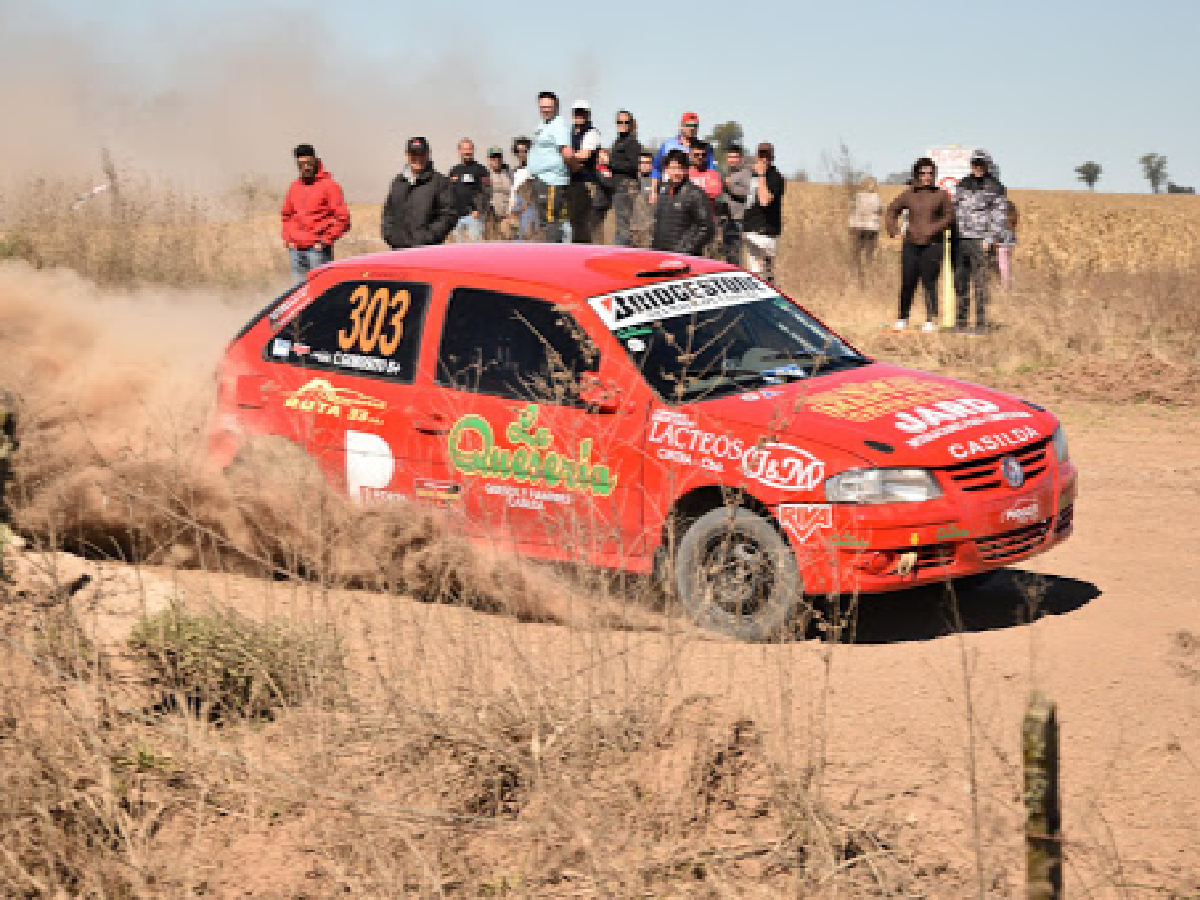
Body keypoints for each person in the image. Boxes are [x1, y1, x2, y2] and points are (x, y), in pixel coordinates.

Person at [883, 157, 955, 332]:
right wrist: (894, 231)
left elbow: (949, 217)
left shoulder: (941, 195)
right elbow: (892, 210)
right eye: (923, 173)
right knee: (907, 281)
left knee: (929, 282)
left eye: (930, 173)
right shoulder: (909, 194)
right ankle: (902, 318)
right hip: (911, 244)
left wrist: (934, 229)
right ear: (917, 174)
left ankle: (930, 320)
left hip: (933, 245)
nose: (926, 176)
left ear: (934, 175)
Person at [953, 149, 1007, 332]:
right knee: (960, 282)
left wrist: (990, 238)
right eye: (974, 163)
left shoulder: (996, 186)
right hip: (961, 239)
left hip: (981, 241)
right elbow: (955, 207)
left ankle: (981, 323)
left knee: (980, 283)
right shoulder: (963, 183)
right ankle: (960, 322)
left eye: (981, 163)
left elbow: (999, 216)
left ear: (987, 165)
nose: (977, 167)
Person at [280, 143, 350, 281]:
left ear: (315, 160)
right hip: (295, 251)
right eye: (300, 164)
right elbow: (286, 215)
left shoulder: (330, 186)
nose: (305, 167)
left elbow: (344, 220)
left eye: (308, 163)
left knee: (321, 294)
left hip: (317, 251)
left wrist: (324, 242)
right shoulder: (294, 187)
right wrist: (288, 239)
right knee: (298, 295)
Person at [381, 136, 457, 250]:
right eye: (414, 154)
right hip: (397, 250)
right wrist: (390, 235)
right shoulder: (398, 182)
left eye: (421, 154)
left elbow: (449, 215)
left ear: (428, 154)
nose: (418, 158)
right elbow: (388, 212)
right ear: (407, 155)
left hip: (426, 251)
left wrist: (427, 237)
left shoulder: (440, 182)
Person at [527, 91, 576, 242]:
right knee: (545, 221)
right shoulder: (543, 124)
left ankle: (554, 258)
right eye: (542, 107)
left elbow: (567, 153)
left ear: (556, 107)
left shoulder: (558, 125)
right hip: (542, 179)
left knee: (551, 221)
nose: (545, 110)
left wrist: (574, 167)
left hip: (552, 181)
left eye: (549, 107)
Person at [651, 149, 715, 256]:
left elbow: (707, 228)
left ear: (687, 170)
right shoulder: (663, 191)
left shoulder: (695, 194)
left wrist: (685, 250)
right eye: (673, 168)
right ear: (666, 169)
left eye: (680, 168)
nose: (676, 173)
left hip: (684, 259)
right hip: (660, 254)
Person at [742, 142, 786, 283]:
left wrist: (761, 176)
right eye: (761, 155)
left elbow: (764, 201)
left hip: (766, 234)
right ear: (756, 156)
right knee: (754, 276)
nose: (764, 159)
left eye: (767, 155)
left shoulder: (775, 177)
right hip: (750, 232)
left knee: (766, 276)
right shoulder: (750, 174)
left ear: (772, 157)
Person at [650, 112, 714, 204]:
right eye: (688, 125)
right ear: (681, 126)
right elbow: (657, 169)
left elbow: (711, 172)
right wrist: (653, 192)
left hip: (695, 194)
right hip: (670, 192)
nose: (692, 128)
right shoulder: (668, 145)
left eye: (695, 125)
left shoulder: (705, 148)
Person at [568, 100, 602, 243]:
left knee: (584, 222)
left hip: (587, 183)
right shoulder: (568, 132)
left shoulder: (592, 132)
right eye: (577, 112)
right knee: (573, 222)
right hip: (572, 182)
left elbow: (585, 155)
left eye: (582, 112)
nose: (579, 115)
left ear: (588, 114)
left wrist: (565, 157)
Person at [608, 110, 643, 246]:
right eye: (619, 122)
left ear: (631, 124)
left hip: (626, 188)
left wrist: (610, 163)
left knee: (624, 229)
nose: (622, 125)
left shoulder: (632, 143)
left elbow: (634, 166)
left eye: (626, 122)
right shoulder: (619, 141)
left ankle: (624, 258)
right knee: (620, 226)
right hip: (618, 188)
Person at [447, 139, 491, 243]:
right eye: (464, 149)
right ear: (459, 151)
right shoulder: (454, 170)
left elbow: (487, 192)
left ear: (473, 150)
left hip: (474, 217)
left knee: (475, 248)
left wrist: (479, 209)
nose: (467, 152)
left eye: (470, 149)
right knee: (458, 249)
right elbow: (449, 191)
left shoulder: (481, 170)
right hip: (457, 217)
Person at [719, 144, 752, 265]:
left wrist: (729, 186)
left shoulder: (746, 173)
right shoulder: (727, 172)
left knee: (734, 257)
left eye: (735, 157)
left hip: (738, 221)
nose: (732, 160)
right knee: (727, 256)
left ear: (741, 158)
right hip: (726, 220)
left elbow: (747, 193)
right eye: (730, 157)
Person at [849, 176, 883, 278]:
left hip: (857, 227)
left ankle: (856, 272)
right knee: (869, 252)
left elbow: (851, 208)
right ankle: (868, 272)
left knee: (856, 252)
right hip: (871, 227)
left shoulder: (856, 196)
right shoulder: (876, 197)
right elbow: (880, 210)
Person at [485, 147, 512, 238]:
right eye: (493, 158)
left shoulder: (510, 175)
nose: (496, 160)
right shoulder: (485, 176)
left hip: (508, 217)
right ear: (488, 160)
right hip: (490, 218)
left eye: (498, 157)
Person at [593, 148, 615, 241]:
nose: (601, 158)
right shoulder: (595, 169)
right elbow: (607, 182)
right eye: (599, 156)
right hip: (597, 203)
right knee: (596, 229)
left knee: (608, 230)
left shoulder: (612, 170)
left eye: (604, 156)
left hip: (610, 204)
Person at [997, 198, 1018, 290]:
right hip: (1010, 239)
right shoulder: (1012, 210)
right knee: (1007, 262)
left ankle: (1005, 285)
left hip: (1003, 241)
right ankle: (1008, 283)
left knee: (1003, 264)